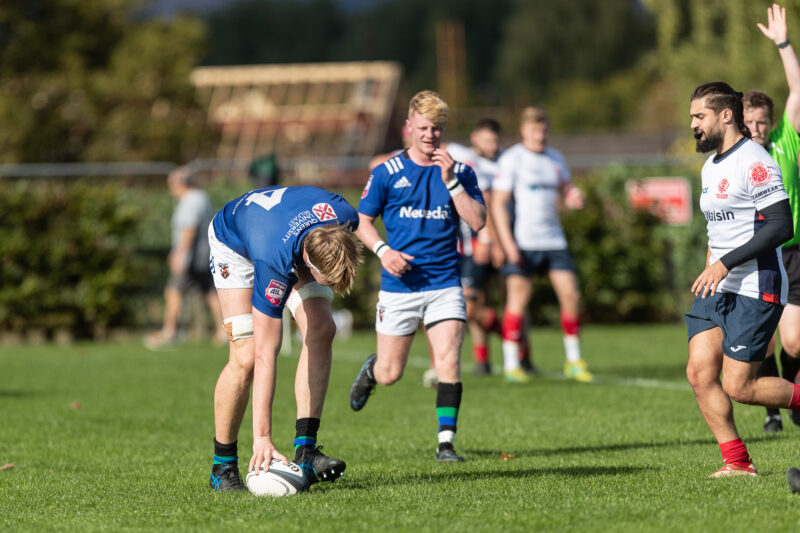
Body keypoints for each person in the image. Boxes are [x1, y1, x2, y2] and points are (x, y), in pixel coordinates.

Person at [348, 90, 486, 462]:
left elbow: (477, 221)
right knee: (391, 372)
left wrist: (452, 181)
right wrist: (383, 252)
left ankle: (445, 444)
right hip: (400, 286)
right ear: (409, 127)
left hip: (444, 284)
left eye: (437, 129)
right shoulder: (387, 172)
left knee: (448, 362)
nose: (431, 136)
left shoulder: (461, 172)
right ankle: (372, 372)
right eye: (424, 128)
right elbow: (361, 222)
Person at [207, 185, 363, 491]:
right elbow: (268, 351)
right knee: (247, 356)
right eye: (328, 279)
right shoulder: (273, 261)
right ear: (307, 258)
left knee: (322, 327)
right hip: (235, 241)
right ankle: (222, 466)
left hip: (287, 231)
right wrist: (261, 437)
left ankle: (306, 451)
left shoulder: (346, 217)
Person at [685, 81, 797, 477]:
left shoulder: (755, 159)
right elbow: (718, 232)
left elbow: (781, 225)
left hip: (755, 285)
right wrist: (711, 267)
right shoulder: (709, 166)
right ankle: (737, 463)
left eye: (700, 116)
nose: (694, 123)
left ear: (726, 115)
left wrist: (726, 264)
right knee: (699, 372)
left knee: (741, 386)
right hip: (718, 285)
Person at [491, 106, 590, 384]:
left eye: (544, 129)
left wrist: (573, 196)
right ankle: (511, 364)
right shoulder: (512, 159)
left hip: (554, 240)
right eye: (535, 129)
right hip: (524, 241)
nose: (540, 134)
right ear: (524, 130)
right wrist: (508, 243)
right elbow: (497, 204)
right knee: (518, 302)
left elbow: (566, 188)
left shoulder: (555, 158)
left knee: (571, 296)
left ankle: (573, 360)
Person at [744, 3, 800, 434]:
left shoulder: (786, 140)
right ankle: (772, 410)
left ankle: (792, 385)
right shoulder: (737, 158)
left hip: (794, 251)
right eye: (751, 122)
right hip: (758, 256)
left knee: (794, 340)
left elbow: (797, 88)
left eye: (764, 121)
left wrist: (783, 43)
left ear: (773, 122)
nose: (759, 128)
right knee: (760, 341)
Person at [445, 119, 506, 376]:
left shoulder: (504, 163)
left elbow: (489, 203)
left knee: (477, 302)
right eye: (486, 139)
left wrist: (487, 238)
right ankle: (483, 360)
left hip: (481, 241)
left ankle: (512, 337)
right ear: (474, 138)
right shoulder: (463, 154)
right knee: (475, 301)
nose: (491, 145)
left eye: (495, 140)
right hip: (462, 243)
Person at [145, 166, 225, 349]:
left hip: (191, 257)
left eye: (171, 183)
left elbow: (189, 229)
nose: (170, 188)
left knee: (173, 291)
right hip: (205, 255)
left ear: (181, 183)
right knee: (211, 292)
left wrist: (179, 255)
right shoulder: (201, 197)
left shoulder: (191, 201)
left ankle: (169, 332)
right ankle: (224, 331)